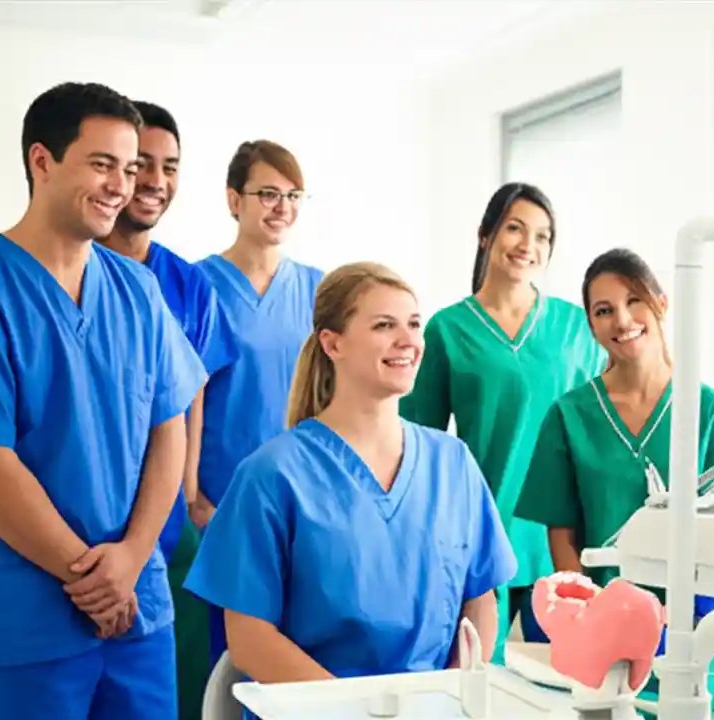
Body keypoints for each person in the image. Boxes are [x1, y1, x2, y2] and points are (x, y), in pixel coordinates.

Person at [0, 82, 206, 719]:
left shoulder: (137, 293)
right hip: (26, 621)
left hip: (135, 616)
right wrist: (93, 579)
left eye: (129, 166)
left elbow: (168, 430)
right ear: (42, 160)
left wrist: (130, 562)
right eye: (101, 163)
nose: (122, 184)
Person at [184, 262, 515, 702]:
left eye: (414, 325)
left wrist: (448, 695)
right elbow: (248, 637)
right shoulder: (273, 474)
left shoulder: (451, 462)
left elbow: (480, 600)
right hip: (318, 709)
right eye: (384, 325)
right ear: (332, 343)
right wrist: (356, 710)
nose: (408, 341)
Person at [514, 248, 714, 709]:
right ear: (592, 324)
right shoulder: (569, 415)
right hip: (607, 638)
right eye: (604, 311)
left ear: (661, 303)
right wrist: (593, 623)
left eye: (633, 301)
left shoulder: (711, 412)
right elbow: (562, 535)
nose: (622, 320)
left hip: (692, 635)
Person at [400, 182, 606, 658]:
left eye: (542, 236)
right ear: (485, 235)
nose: (527, 246)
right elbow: (418, 448)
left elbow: (601, 430)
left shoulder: (577, 329)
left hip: (558, 545)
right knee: (472, 684)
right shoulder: (447, 329)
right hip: (475, 540)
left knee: (565, 687)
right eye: (515, 229)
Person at [95, 100, 237, 720]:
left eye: (170, 166)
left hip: (168, 522)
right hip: (85, 516)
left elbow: (192, 394)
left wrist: (189, 493)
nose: (154, 180)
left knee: (173, 688)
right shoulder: (68, 268)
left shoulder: (187, 284)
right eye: (140, 164)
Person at [193, 140, 324, 662]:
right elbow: (183, 399)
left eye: (293, 194)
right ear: (233, 200)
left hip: (302, 504)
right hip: (218, 503)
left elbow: (329, 396)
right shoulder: (197, 285)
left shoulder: (319, 290)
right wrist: (195, 502)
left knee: (292, 659)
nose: (282, 207)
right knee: (224, 662)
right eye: (267, 193)